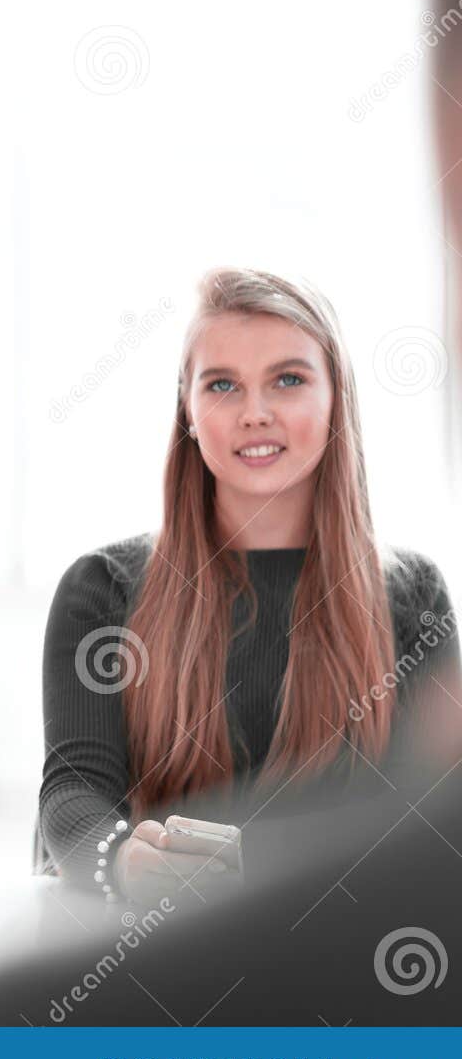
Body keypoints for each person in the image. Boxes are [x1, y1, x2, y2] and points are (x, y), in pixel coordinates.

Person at [39, 268, 457, 908]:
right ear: (188, 406)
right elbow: (72, 794)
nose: (254, 413)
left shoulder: (412, 594)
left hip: (339, 951)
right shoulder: (100, 589)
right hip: (155, 948)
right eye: (222, 385)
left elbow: (433, 814)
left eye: (288, 379)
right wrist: (121, 861)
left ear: (334, 396)